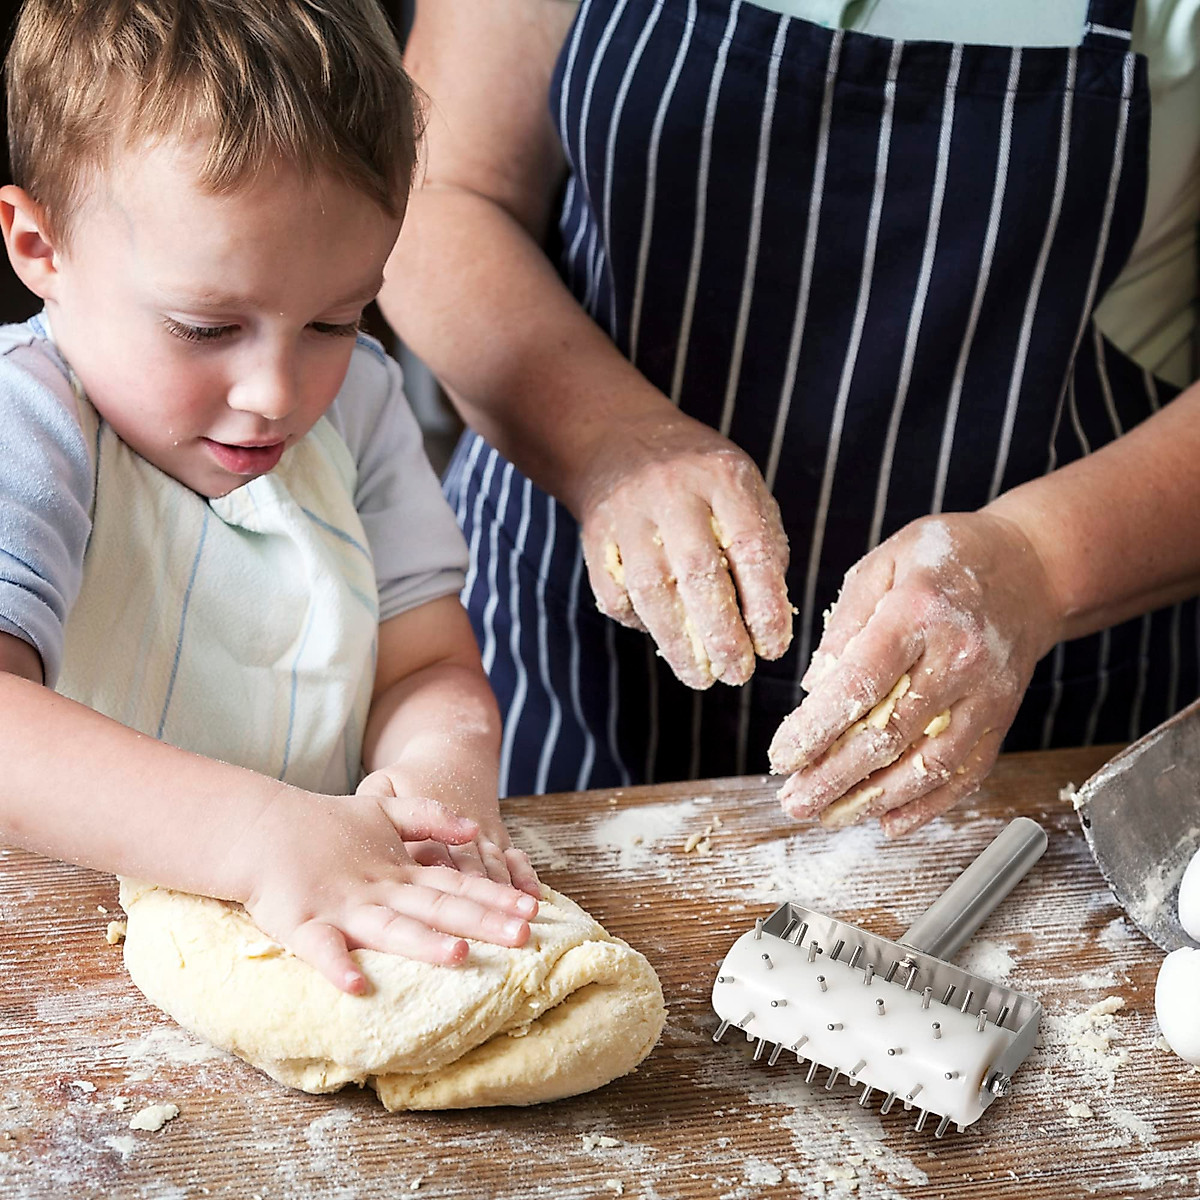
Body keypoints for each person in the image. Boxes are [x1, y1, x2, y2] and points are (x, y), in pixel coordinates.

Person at [378, 0, 1200, 835]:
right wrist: (609, 442)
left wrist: (1038, 562)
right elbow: (433, 191)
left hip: (1035, 720)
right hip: (565, 658)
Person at [0, 0, 542, 998]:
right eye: (206, 327)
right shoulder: (27, 424)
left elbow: (423, 666)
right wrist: (259, 837)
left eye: (335, 320)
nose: (277, 394)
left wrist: (436, 789)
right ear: (40, 245)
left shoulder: (365, 407)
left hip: (313, 950)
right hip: (54, 975)